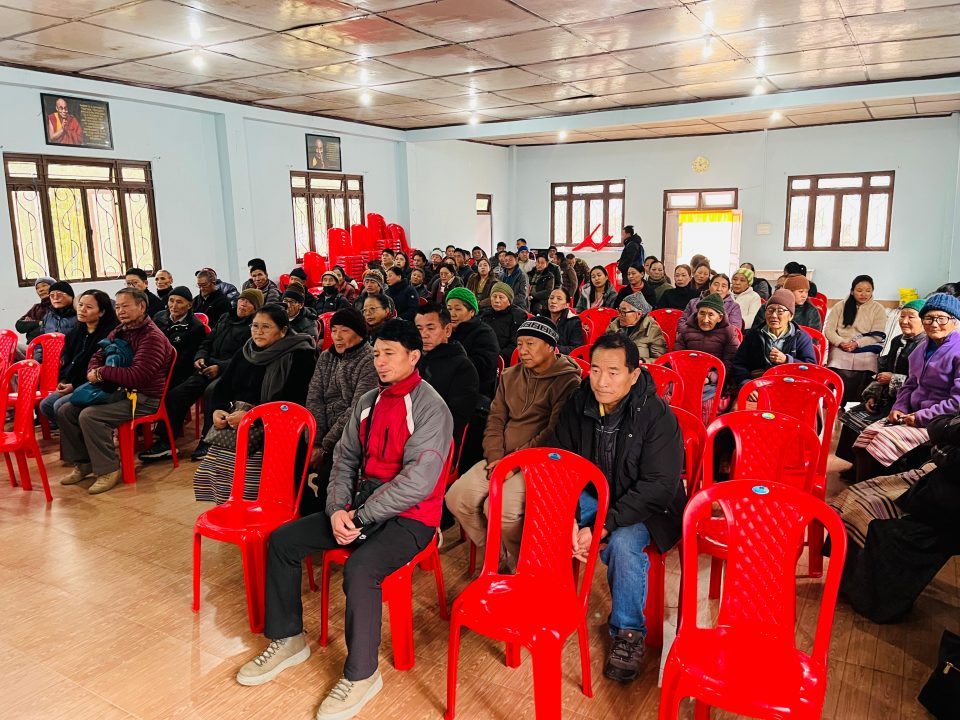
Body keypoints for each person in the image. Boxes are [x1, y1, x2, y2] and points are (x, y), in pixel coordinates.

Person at [235, 320, 452, 720]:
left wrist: (360, 516)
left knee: (361, 570)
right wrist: (336, 510)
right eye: (376, 354)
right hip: (356, 509)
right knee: (282, 543)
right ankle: (288, 638)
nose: (380, 361)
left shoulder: (430, 407)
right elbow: (345, 459)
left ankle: (362, 674)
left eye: (389, 353)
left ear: (413, 356)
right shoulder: (368, 400)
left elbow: (418, 482)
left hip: (411, 518)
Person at [553, 332, 685, 681]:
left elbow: (658, 486)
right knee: (547, 518)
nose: (601, 381)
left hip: (644, 505)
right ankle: (552, 604)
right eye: (595, 370)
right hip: (592, 495)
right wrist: (567, 516)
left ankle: (628, 634)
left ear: (634, 374)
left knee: (625, 545)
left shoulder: (656, 416)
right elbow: (560, 465)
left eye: (613, 372)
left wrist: (603, 525)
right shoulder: (578, 402)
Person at [446, 317, 582, 572]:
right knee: (457, 498)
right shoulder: (510, 376)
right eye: (520, 344)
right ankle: (496, 558)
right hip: (501, 458)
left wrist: (515, 462)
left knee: (501, 510)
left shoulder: (568, 381)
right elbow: (495, 419)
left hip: (539, 462)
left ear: (551, 347)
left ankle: (522, 565)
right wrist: (496, 455)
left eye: (531, 343)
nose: (524, 350)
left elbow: (552, 432)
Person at [829, 410, 960, 623]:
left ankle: (871, 599)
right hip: (936, 476)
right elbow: (939, 425)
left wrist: (930, 428)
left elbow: (946, 446)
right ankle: (846, 582)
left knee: (880, 523)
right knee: (854, 494)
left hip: (946, 499)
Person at [193, 304, 316, 504]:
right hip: (238, 424)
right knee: (217, 468)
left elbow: (292, 403)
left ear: (283, 330)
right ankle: (231, 510)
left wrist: (255, 418)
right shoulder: (247, 351)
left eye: (266, 327)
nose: (258, 332)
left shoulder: (300, 355)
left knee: (250, 480)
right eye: (255, 326)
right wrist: (218, 410)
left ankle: (255, 513)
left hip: (275, 428)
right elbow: (223, 387)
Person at [58, 288, 174, 495]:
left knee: (90, 416)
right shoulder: (121, 329)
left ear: (141, 306)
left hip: (144, 397)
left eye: (126, 306)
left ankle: (109, 470)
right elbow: (98, 353)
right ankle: (84, 463)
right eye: (118, 306)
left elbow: (137, 376)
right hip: (119, 391)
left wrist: (102, 373)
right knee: (66, 410)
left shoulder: (152, 337)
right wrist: (95, 369)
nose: (120, 311)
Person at [849, 294, 960, 483]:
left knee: (879, 444)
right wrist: (899, 407)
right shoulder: (920, 350)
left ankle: (885, 490)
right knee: (864, 440)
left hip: (940, 421)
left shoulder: (957, 351)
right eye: (929, 318)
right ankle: (867, 490)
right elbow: (909, 385)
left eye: (942, 318)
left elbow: (957, 401)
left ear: (955, 322)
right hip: (911, 415)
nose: (934, 324)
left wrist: (921, 416)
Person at [145, 288, 263, 464]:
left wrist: (219, 367)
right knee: (176, 394)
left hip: (231, 373)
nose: (243, 304)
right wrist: (200, 357)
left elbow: (246, 356)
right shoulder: (225, 318)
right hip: (208, 366)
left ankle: (207, 441)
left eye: (248, 302)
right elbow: (207, 342)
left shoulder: (254, 327)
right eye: (241, 300)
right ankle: (166, 441)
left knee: (211, 393)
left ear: (255, 308)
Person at [301, 308, 379, 516]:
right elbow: (314, 397)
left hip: (351, 435)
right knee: (289, 462)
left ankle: (331, 520)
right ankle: (307, 512)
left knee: (330, 476)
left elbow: (356, 410)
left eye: (344, 331)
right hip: (321, 432)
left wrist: (324, 447)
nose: (336, 336)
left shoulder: (369, 360)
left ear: (359, 333)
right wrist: (314, 442)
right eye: (334, 330)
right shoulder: (327, 357)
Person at [836, 300, 926, 471]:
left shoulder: (924, 345)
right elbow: (883, 368)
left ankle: (872, 470)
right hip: (885, 396)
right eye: (902, 316)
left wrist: (893, 378)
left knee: (872, 427)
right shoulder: (897, 340)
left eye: (911, 317)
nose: (904, 321)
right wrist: (872, 396)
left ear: (923, 320)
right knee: (852, 416)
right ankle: (856, 466)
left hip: (905, 403)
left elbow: (920, 381)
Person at [38, 290, 118, 429]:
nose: (82, 310)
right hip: (74, 383)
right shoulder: (75, 333)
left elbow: (101, 368)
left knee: (59, 406)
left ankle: (84, 436)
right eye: (80, 305)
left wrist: (74, 386)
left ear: (101, 312)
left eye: (89, 307)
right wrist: (63, 380)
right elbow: (68, 361)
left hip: (97, 384)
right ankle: (78, 436)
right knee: (46, 405)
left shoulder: (109, 335)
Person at [415, 304, 480, 471]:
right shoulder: (414, 359)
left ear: (448, 330)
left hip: (436, 447)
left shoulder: (462, 368)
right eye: (419, 328)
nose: (424, 335)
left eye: (431, 328)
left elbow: (453, 420)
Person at [731, 289, 817, 390]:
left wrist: (787, 360)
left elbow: (810, 369)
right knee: (737, 406)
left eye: (780, 311)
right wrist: (746, 383)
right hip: (758, 385)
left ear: (791, 316)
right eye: (770, 310)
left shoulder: (800, 337)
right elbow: (739, 363)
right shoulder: (754, 334)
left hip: (790, 387)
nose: (774, 315)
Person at [675, 293, 741, 423]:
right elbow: (677, 358)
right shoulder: (686, 330)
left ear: (720, 317)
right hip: (687, 376)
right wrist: (687, 375)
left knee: (705, 404)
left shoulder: (728, 333)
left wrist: (710, 377)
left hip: (713, 381)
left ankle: (703, 434)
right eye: (702, 313)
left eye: (711, 315)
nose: (705, 319)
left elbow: (730, 363)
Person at [824, 275, 888, 403]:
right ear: (852, 291)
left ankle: (862, 401)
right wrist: (841, 342)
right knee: (836, 360)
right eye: (859, 290)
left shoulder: (878, 309)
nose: (864, 294)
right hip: (841, 345)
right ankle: (839, 400)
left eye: (868, 290)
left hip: (864, 346)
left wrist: (857, 344)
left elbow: (877, 335)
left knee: (869, 363)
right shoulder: (840, 306)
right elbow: (829, 330)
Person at [447, 287, 500, 400]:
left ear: (471, 312)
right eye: (449, 309)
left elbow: (482, 368)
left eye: (458, 309)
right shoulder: (447, 330)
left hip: (473, 391)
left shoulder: (484, 334)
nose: (452, 314)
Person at [151, 286, 207, 390]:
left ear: (189, 305)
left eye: (179, 302)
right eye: (171, 301)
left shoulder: (195, 327)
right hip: (154, 364)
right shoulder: (159, 317)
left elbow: (185, 360)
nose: (173, 306)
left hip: (175, 372)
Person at [607, 293, 667, 362]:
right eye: (619, 310)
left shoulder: (652, 330)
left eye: (623, 311)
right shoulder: (613, 326)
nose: (619, 315)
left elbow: (660, 360)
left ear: (638, 314)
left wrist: (643, 362)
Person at [481, 283, 528, 366]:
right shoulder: (484, 314)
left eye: (501, 297)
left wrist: (497, 357)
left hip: (502, 360)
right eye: (494, 296)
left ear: (509, 301)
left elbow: (515, 345)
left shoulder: (517, 317)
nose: (497, 300)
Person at [540, 287, 585, 354]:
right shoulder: (541, 318)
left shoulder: (574, 322)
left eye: (559, 299)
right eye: (551, 298)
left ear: (567, 305)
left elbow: (576, 348)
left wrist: (553, 348)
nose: (553, 301)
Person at [15, 276, 54, 343]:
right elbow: (19, 325)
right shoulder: (36, 307)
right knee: (13, 347)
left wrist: (30, 326)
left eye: (44, 285)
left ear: (53, 287)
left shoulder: (57, 306)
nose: (40, 290)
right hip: (32, 345)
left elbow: (50, 328)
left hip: (49, 346)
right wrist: (38, 323)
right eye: (37, 288)